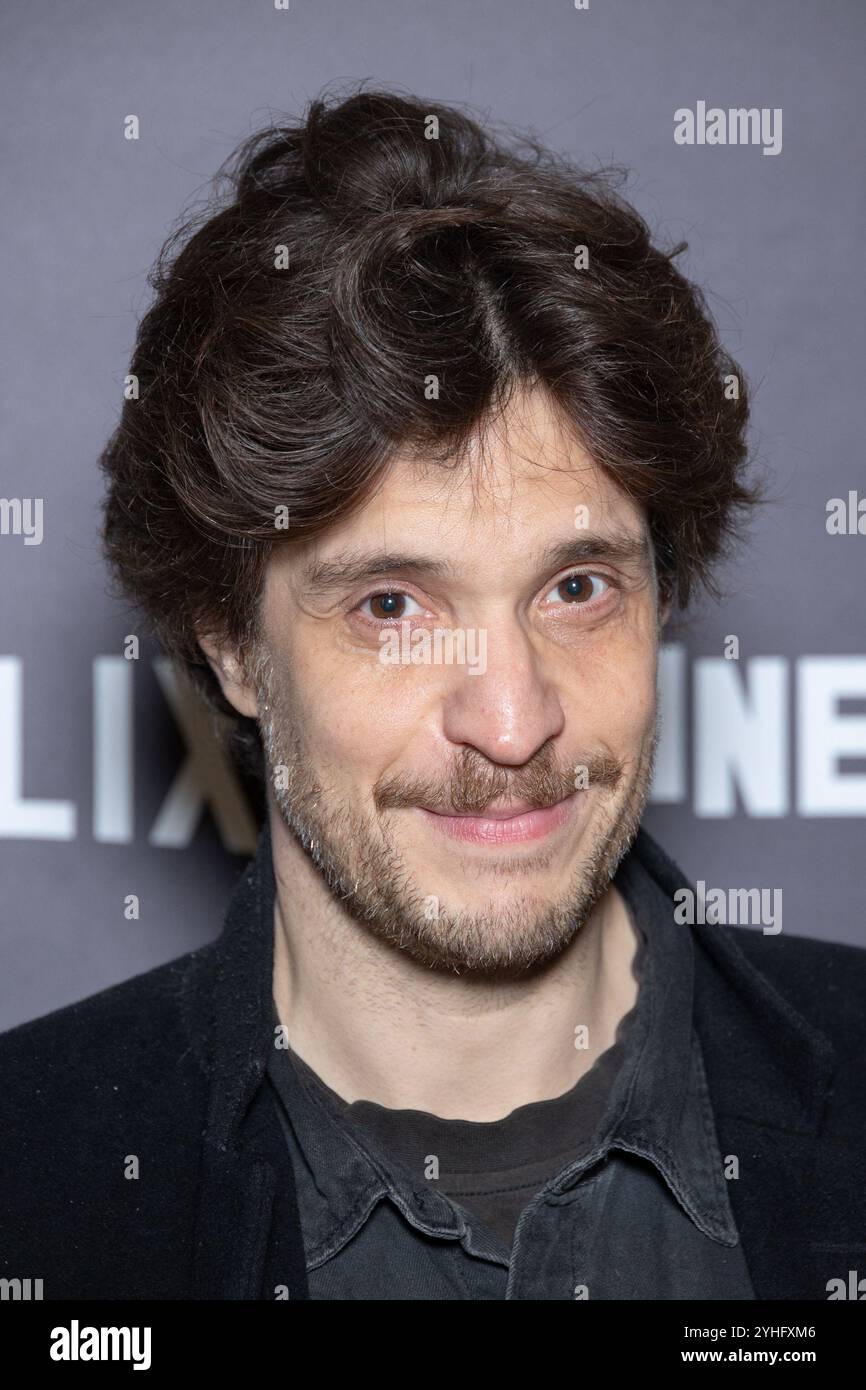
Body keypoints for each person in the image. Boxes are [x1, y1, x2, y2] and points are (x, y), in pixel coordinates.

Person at [1, 87, 863, 1302]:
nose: (511, 722)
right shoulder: (38, 1183)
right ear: (235, 647)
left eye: (574, 587)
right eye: (391, 607)